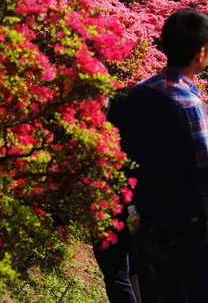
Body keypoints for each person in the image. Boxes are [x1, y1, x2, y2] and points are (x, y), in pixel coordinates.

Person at [116, 8, 208, 303]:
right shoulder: (191, 107)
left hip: (146, 225)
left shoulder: (139, 93)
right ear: (202, 52)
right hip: (187, 235)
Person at [92, 85, 138, 303]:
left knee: (139, 268)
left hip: (137, 204)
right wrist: (61, 216)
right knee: (115, 274)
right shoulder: (77, 118)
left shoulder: (128, 107)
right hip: (101, 208)